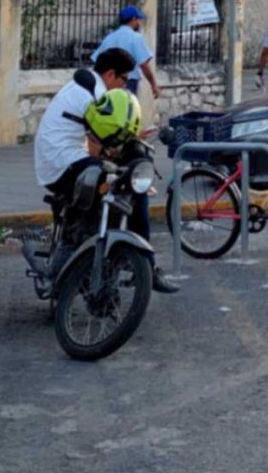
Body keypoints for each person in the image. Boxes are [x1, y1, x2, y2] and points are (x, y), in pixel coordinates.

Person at [32, 45, 176, 293]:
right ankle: (146, 266)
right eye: (123, 79)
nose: (124, 86)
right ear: (110, 74)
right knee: (131, 192)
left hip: (56, 162)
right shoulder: (97, 96)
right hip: (63, 164)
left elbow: (97, 143)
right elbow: (96, 147)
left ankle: (129, 262)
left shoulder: (86, 86)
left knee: (118, 185)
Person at [94, 4, 160, 98]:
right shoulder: (135, 38)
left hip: (108, 81)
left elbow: (97, 60)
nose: (139, 23)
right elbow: (144, 66)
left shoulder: (109, 37)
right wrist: (153, 85)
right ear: (133, 19)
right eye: (138, 19)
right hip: (128, 82)